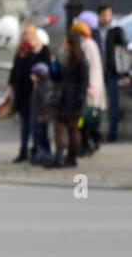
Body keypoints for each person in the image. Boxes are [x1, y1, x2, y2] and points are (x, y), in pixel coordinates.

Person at [6, 22, 51, 163]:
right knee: (24, 124)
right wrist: (10, 87)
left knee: (36, 123)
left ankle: (38, 150)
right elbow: (15, 70)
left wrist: (31, 51)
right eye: (25, 34)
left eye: (30, 34)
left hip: (36, 92)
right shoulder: (21, 50)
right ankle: (23, 150)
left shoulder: (42, 49)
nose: (28, 37)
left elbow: (45, 70)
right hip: (21, 92)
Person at [48, 24, 90, 168]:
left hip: (73, 98)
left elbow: (84, 82)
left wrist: (80, 100)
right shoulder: (60, 57)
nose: (63, 44)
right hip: (61, 98)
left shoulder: (80, 60)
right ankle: (60, 156)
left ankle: (71, 157)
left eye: (65, 41)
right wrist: (53, 67)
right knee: (59, 126)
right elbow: (56, 78)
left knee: (72, 128)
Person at [93, 3, 129, 143]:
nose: (106, 17)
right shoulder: (95, 32)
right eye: (104, 15)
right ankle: (94, 132)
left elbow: (122, 53)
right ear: (99, 15)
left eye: (108, 14)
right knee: (96, 104)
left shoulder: (115, 31)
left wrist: (124, 73)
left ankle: (112, 134)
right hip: (97, 72)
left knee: (114, 104)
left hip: (111, 72)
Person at [75, 10, 107, 156]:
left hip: (90, 87)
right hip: (93, 86)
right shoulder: (90, 43)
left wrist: (89, 87)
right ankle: (88, 143)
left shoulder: (87, 45)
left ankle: (90, 142)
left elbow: (89, 68)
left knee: (85, 117)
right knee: (86, 118)